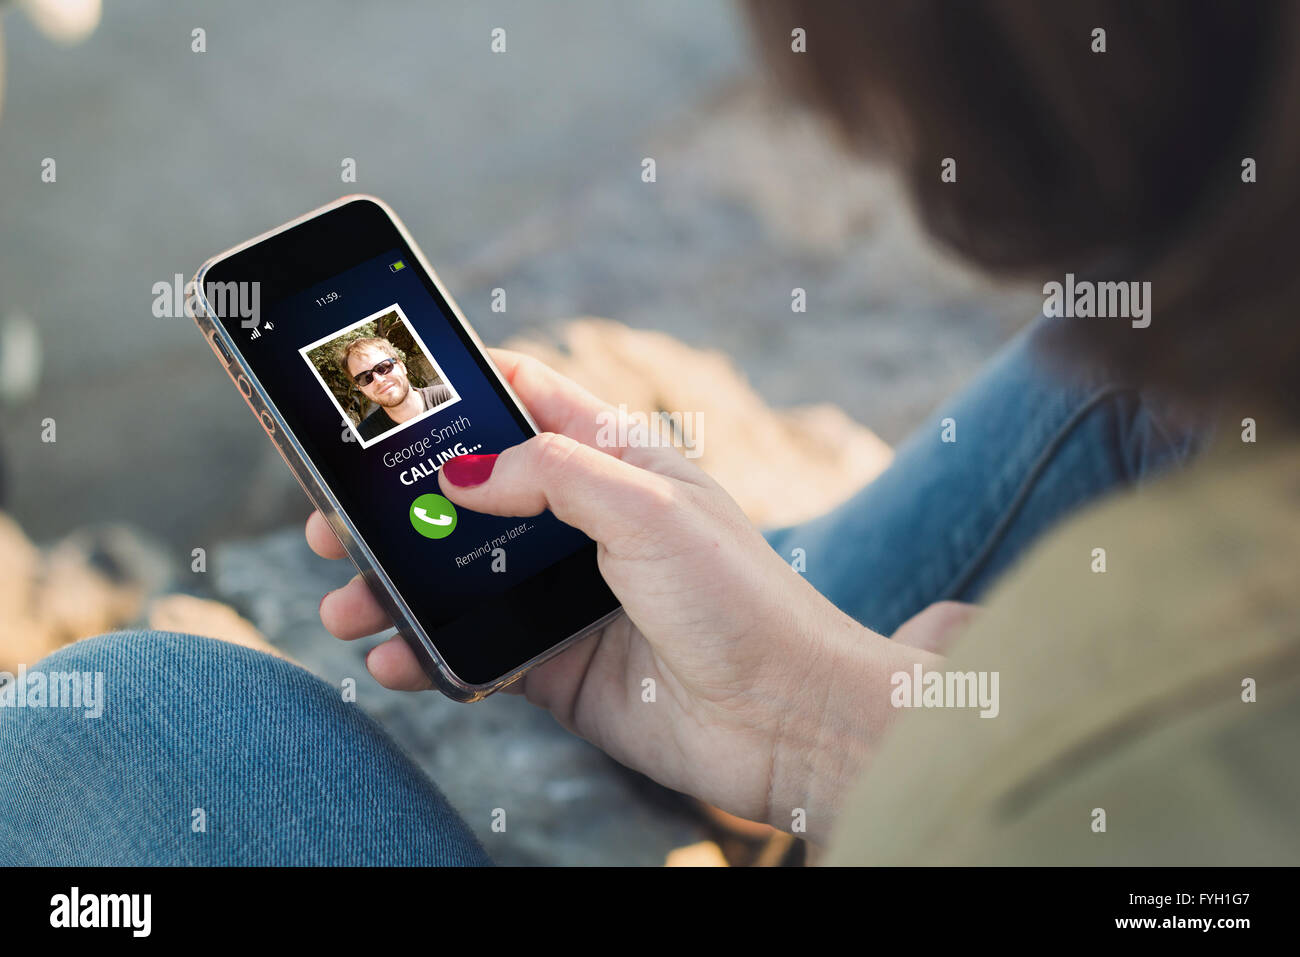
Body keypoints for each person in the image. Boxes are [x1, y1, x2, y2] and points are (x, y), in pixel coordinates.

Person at [3, 0, 1298, 865]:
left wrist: (943, 775)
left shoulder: (1101, 787)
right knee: (1129, 366)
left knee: (105, 713)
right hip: (881, 733)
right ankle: (774, 614)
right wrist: (833, 724)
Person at [343, 336, 452, 442]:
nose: (379, 380)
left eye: (383, 367)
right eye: (365, 378)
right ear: (360, 388)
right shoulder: (365, 438)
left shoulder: (449, 396)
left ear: (401, 366)